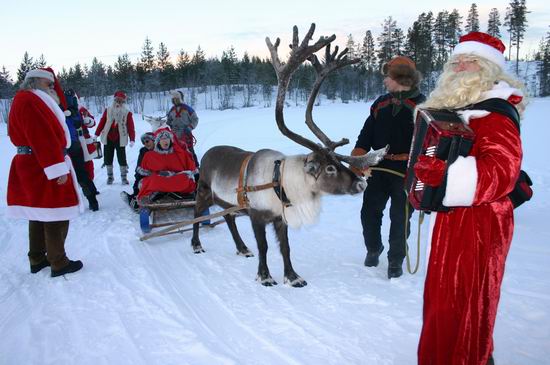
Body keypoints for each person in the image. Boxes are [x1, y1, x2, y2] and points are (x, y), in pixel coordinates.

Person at [414, 32, 526, 365]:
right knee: (444, 300)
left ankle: (467, 358)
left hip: (482, 221)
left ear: (490, 68)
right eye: (456, 61)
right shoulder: (464, 107)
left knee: (464, 302)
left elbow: (503, 170)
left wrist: (444, 177)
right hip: (456, 217)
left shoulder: (496, 111)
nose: (461, 66)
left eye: (471, 60)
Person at [352, 56, 425, 279]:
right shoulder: (380, 104)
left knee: (400, 217)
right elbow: (366, 135)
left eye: (388, 76)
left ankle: (396, 260)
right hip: (379, 168)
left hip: (407, 171)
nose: (384, 80)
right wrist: (358, 157)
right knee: (369, 213)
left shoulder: (423, 108)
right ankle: (374, 248)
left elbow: (429, 143)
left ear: (400, 77)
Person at [6, 67, 83, 277]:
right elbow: (41, 136)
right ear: (36, 82)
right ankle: (58, 261)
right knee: (55, 212)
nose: (53, 87)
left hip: (33, 162)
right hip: (41, 163)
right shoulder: (31, 101)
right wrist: (57, 168)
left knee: (39, 213)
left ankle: (38, 258)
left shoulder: (25, 99)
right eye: (49, 84)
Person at [137, 128, 197, 203]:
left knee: (186, 178)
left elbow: (190, 169)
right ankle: (172, 192)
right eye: (162, 139)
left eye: (167, 138)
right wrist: (160, 174)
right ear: (158, 141)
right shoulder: (149, 155)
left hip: (175, 179)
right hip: (160, 179)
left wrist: (172, 174)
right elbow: (145, 173)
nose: (165, 141)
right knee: (151, 181)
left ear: (171, 140)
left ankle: (166, 192)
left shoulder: (178, 153)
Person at [64, 89, 100, 211]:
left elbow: (92, 122)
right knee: (81, 171)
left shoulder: (80, 109)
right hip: (75, 144)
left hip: (83, 143)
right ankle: (90, 194)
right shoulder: (65, 110)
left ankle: (91, 191)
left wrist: (87, 121)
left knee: (87, 168)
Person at [95, 90, 135, 185]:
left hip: (120, 137)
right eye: (117, 100)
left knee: (122, 158)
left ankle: (124, 177)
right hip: (108, 137)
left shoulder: (127, 113)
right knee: (108, 158)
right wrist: (96, 133)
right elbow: (102, 121)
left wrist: (132, 138)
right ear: (114, 100)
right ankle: (110, 177)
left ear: (123, 102)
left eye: (121, 101)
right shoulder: (108, 110)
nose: (119, 102)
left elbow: (130, 126)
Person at [121, 132, 155, 211]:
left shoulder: (160, 150)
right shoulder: (143, 151)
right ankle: (135, 199)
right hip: (146, 174)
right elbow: (139, 167)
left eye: (147, 141)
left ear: (153, 140)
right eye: (144, 142)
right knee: (139, 181)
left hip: (159, 175)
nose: (146, 144)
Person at [166, 90, 199, 167]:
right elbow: (169, 120)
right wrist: (169, 125)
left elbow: (195, 119)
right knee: (175, 152)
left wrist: (190, 127)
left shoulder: (188, 109)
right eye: (173, 99)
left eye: (176, 98)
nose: (175, 100)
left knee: (190, 151)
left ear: (180, 98)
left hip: (185, 133)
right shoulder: (172, 110)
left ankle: (196, 167)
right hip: (174, 135)